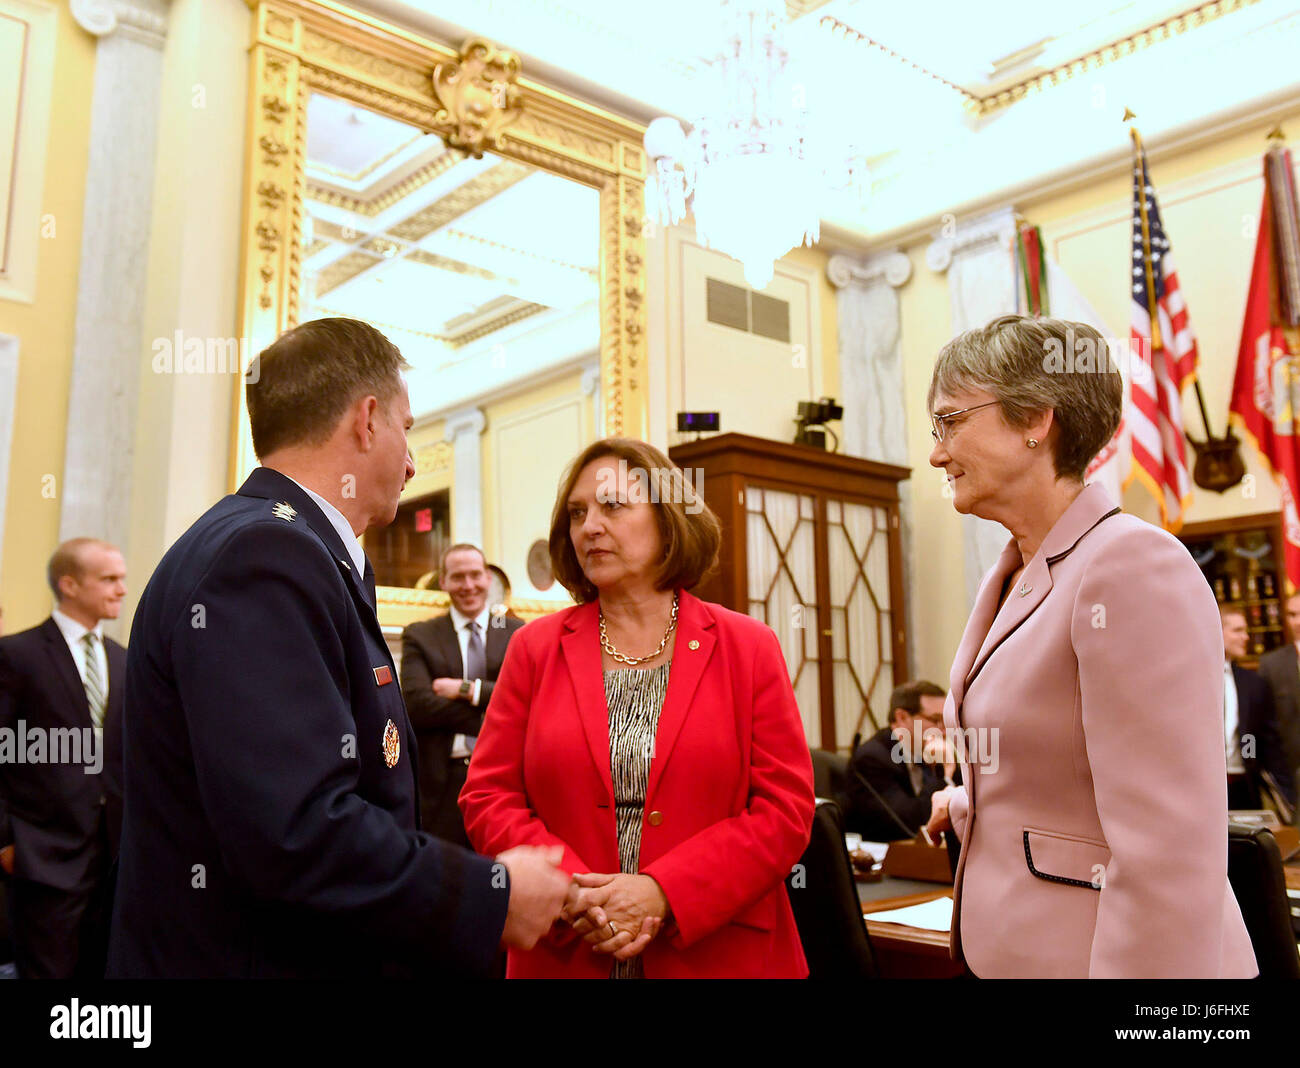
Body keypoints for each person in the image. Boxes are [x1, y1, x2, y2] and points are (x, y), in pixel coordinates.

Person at [107, 317, 568, 978]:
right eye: (408, 429)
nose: (411, 462)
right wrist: (489, 895)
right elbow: (295, 830)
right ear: (368, 420)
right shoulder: (267, 554)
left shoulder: (278, 544)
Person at [922, 314, 1256, 978]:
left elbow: (1167, 849)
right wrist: (969, 803)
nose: (936, 453)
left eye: (951, 422)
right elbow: (1064, 779)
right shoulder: (1017, 568)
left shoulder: (1129, 566)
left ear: (1035, 421)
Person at [459, 438, 815, 978]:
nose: (589, 527)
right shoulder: (533, 649)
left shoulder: (748, 646)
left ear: (668, 516)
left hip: (718, 950)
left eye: (613, 506)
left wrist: (664, 891)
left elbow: (784, 809)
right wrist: (578, 891)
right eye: (577, 513)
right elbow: (489, 795)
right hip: (569, 944)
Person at [0, 539, 126, 978]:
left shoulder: (123, 660)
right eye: (109, 579)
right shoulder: (18, 654)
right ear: (69, 584)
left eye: (122, 579)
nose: (121, 590)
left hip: (111, 859)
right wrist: (5, 840)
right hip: (42, 856)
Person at [400, 543, 525, 847]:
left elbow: (528, 700)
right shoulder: (421, 635)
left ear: (488, 579)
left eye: (475, 575)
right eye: (458, 577)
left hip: (505, 781)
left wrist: (464, 689)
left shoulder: (517, 633)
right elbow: (417, 705)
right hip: (443, 785)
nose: (468, 586)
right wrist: (492, 715)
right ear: (443, 582)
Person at [846, 681, 954, 842]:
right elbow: (912, 825)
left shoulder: (927, 751)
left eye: (946, 721)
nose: (944, 731)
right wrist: (944, 773)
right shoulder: (871, 758)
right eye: (935, 720)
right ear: (902, 717)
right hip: (884, 858)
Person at [1221, 607, 1295, 813]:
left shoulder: (1251, 683)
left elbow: (1257, 738)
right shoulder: (1196, 679)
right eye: (1238, 630)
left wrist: (1287, 794)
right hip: (1206, 785)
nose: (1246, 637)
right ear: (1218, 630)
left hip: (1243, 786)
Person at [1256, 591, 1300, 799]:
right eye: (1291, 615)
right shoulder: (1271, 665)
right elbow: (1260, 728)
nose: (1297, 622)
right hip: (1292, 780)